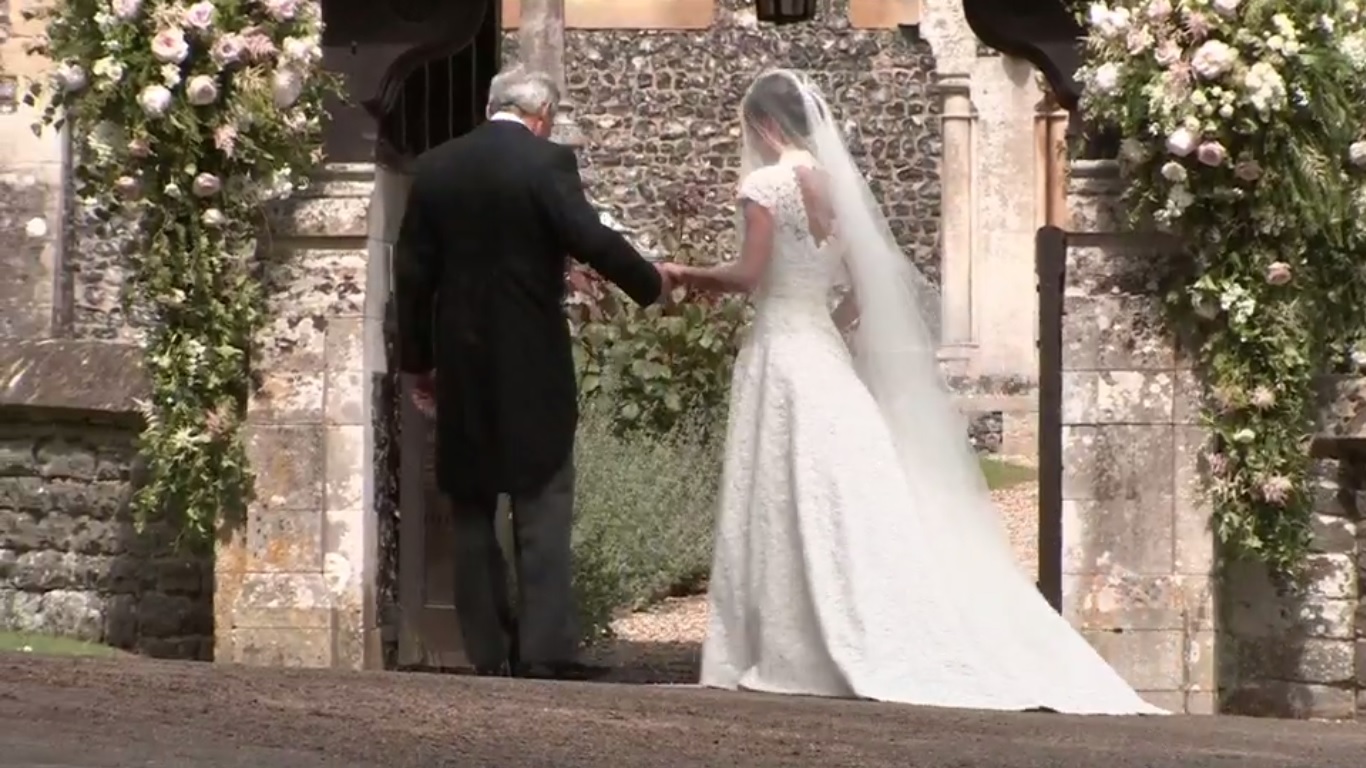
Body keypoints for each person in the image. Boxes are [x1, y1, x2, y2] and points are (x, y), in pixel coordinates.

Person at [661, 69, 1165, 715]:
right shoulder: (836, 189)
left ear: (762, 124)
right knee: (842, 489)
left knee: (781, 487)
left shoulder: (765, 184)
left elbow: (748, 275)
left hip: (780, 350)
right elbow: (864, 295)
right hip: (819, 348)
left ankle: (790, 642)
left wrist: (682, 272)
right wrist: (822, 320)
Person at [393, 64, 672, 680]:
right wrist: (650, 284)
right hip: (531, 355)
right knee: (543, 495)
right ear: (541, 115)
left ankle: (486, 650)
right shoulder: (547, 163)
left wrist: (418, 361)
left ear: (491, 105)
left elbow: (412, 274)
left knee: (471, 503)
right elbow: (588, 237)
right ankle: (545, 650)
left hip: (461, 357)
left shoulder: (436, 167)